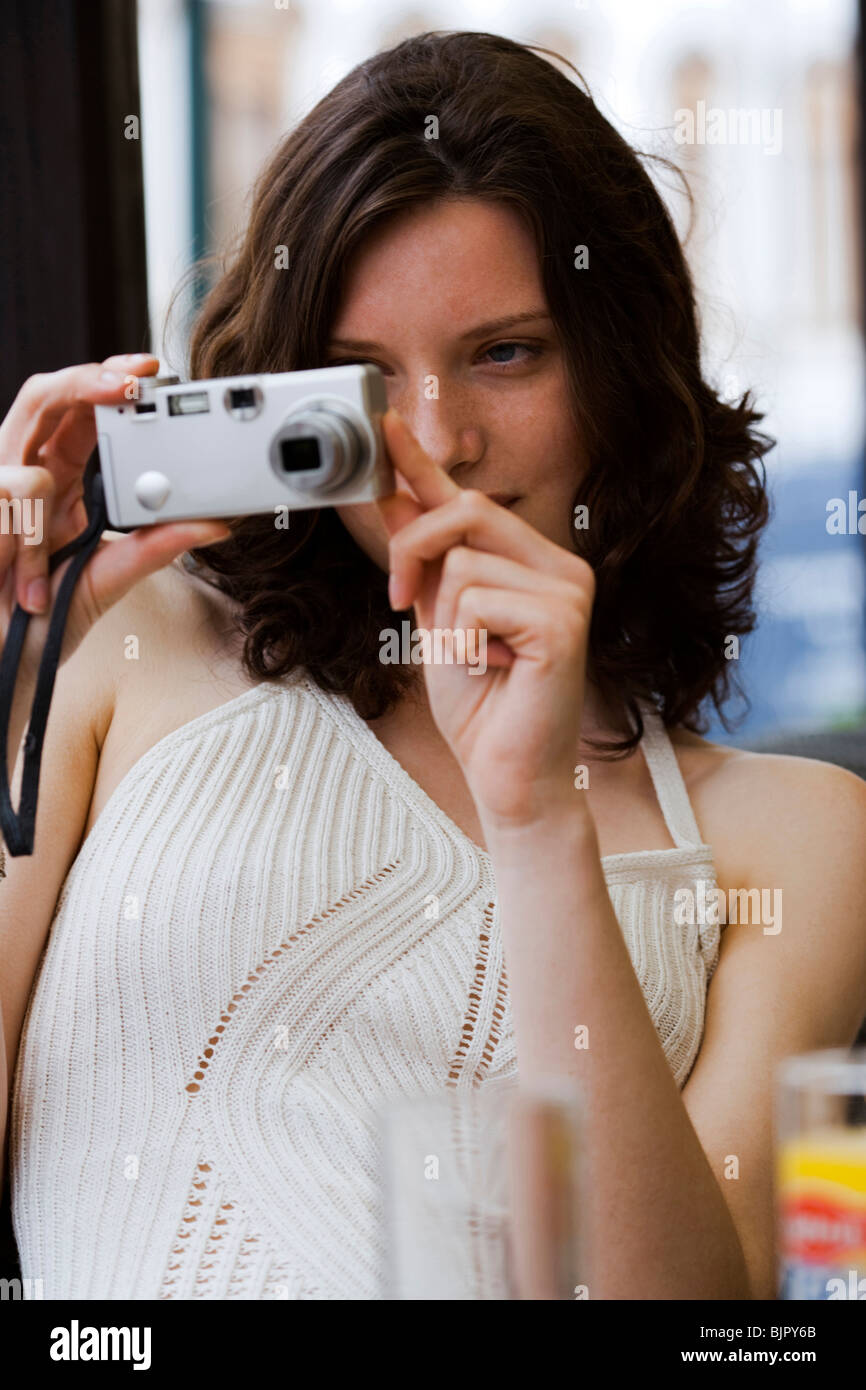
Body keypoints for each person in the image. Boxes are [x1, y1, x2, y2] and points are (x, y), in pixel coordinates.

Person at [1, 29, 865, 1302]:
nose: (441, 443)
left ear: (617, 374)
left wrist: (534, 819)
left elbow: (696, 1317)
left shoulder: (799, 837)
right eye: (363, 377)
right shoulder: (132, 644)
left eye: (505, 352)